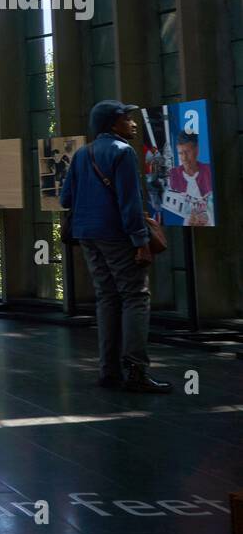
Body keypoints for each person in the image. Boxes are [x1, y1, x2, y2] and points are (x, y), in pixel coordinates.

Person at [60, 100, 169, 394]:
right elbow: (130, 203)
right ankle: (135, 371)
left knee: (106, 297)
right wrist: (141, 242)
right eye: (127, 118)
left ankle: (108, 371)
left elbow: (64, 198)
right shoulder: (123, 152)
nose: (133, 123)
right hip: (117, 235)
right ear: (112, 124)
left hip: (87, 235)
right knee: (135, 296)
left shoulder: (83, 153)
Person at [167, 130, 213, 226]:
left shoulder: (210, 171)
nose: (184, 158)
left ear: (196, 150)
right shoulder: (173, 175)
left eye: (187, 152)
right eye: (180, 153)